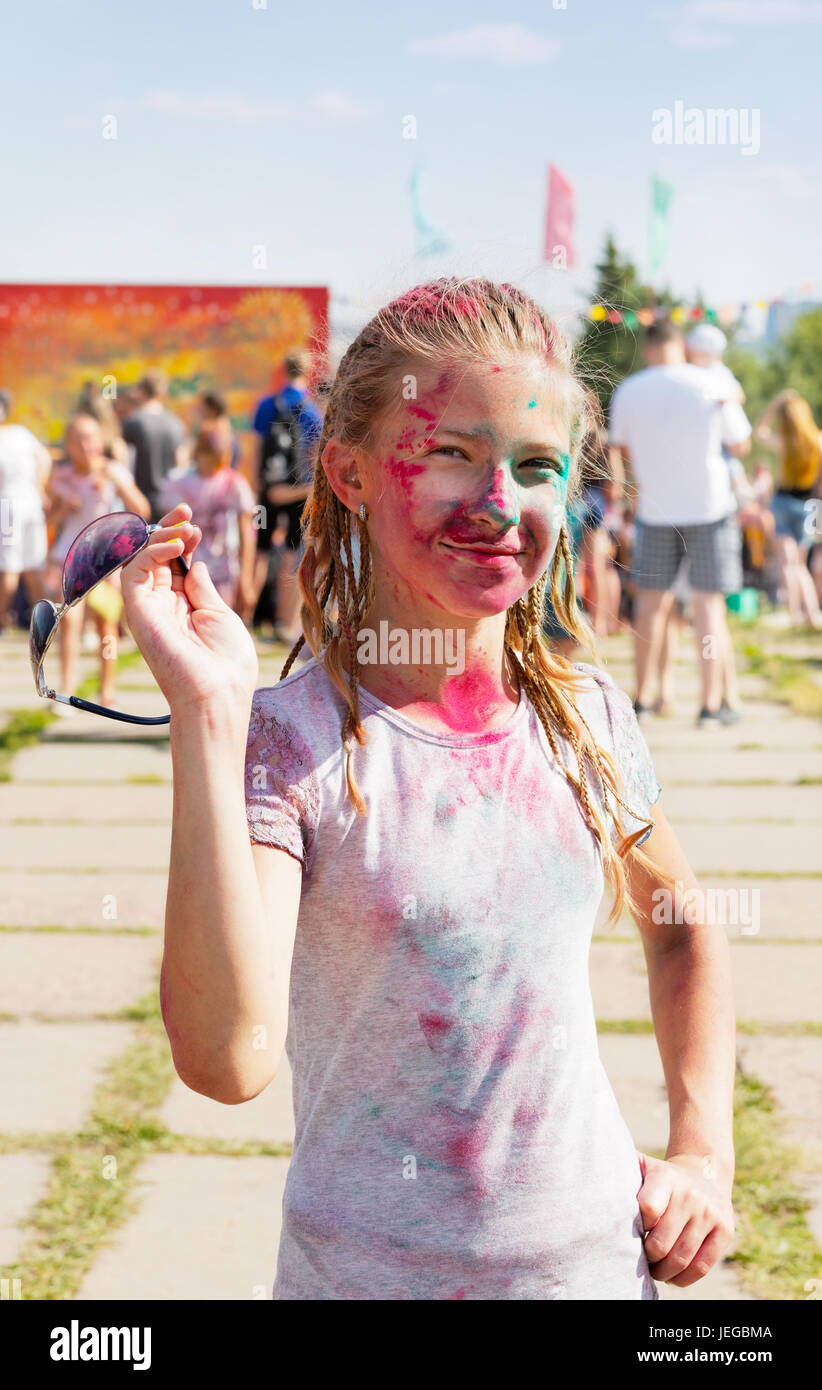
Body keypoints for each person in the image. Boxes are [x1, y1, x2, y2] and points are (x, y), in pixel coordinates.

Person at [121, 277, 735, 1301]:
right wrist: (208, 713)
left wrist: (704, 1152)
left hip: (593, 1272)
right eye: (451, 452)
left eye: (536, 466)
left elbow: (680, 925)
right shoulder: (296, 745)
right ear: (349, 471)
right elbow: (229, 1057)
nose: (498, 504)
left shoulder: (584, 716)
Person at [608, 319, 751, 727]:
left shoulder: (628, 390)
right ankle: (710, 704)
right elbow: (740, 443)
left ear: (649, 348)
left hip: (656, 510)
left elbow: (621, 449)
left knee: (650, 606)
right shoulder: (709, 383)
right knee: (708, 607)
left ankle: (642, 698)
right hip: (709, 506)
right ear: (681, 346)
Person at [44, 413, 150, 712]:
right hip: (69, 557)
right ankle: (66, 689)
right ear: (68, 445)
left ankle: (107, 690)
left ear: (100, 440)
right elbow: (47, 520)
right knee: (68, 620)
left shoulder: (113, 471)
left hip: (104, 562)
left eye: (90, 438)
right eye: (77, 440)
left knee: (106, 624)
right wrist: (64, 507)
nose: (85, 446)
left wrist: (120, 484)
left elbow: (141, 510)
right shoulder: (61, 478)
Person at [250, 351, 323, 641]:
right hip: (299, 492)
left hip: (268, 489)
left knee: (260, 551)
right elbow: (316, 453)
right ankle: (283, 623)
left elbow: (257, 446)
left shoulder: (267, 404)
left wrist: (257, 483)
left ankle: (247, 616)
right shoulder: (311, 410)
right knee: (292, 553)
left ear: (284, 370)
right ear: (307, 372)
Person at [157, 421, 257, 613]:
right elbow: (167, 528)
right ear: (199, 452)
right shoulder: (178, 482)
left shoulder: (234, 483)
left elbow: (248, 533)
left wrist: (246, 578)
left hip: (224, 571)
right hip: (186, 568)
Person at [754, 389, 822, 628]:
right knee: (800, 564)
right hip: (808, 505)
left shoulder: (785, 443)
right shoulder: (818, 441)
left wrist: (775, 402)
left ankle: (794, 613)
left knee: (788, 562)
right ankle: (811, 614)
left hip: (783, 502)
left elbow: (759, 432)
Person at [0, 389, 51, 633]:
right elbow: (44, 458)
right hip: (31, 502)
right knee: (33, 566)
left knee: (9, 566)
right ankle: (45, 624)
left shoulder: (16, 434)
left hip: (8, 506)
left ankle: (2, 620)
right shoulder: (21, 433)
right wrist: (39, 485)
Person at [122, 368, 188, 523]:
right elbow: (181, 465)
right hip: (168, 505)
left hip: (140, 505)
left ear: (141, 391)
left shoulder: (132, 422)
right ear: (162, 393)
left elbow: (124, 465)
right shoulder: (176, 424)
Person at [198, 390, 242, 469]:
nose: (199, 410)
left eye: (202, 406)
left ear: (212, 409)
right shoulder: (227, 427)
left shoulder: (212, 430)